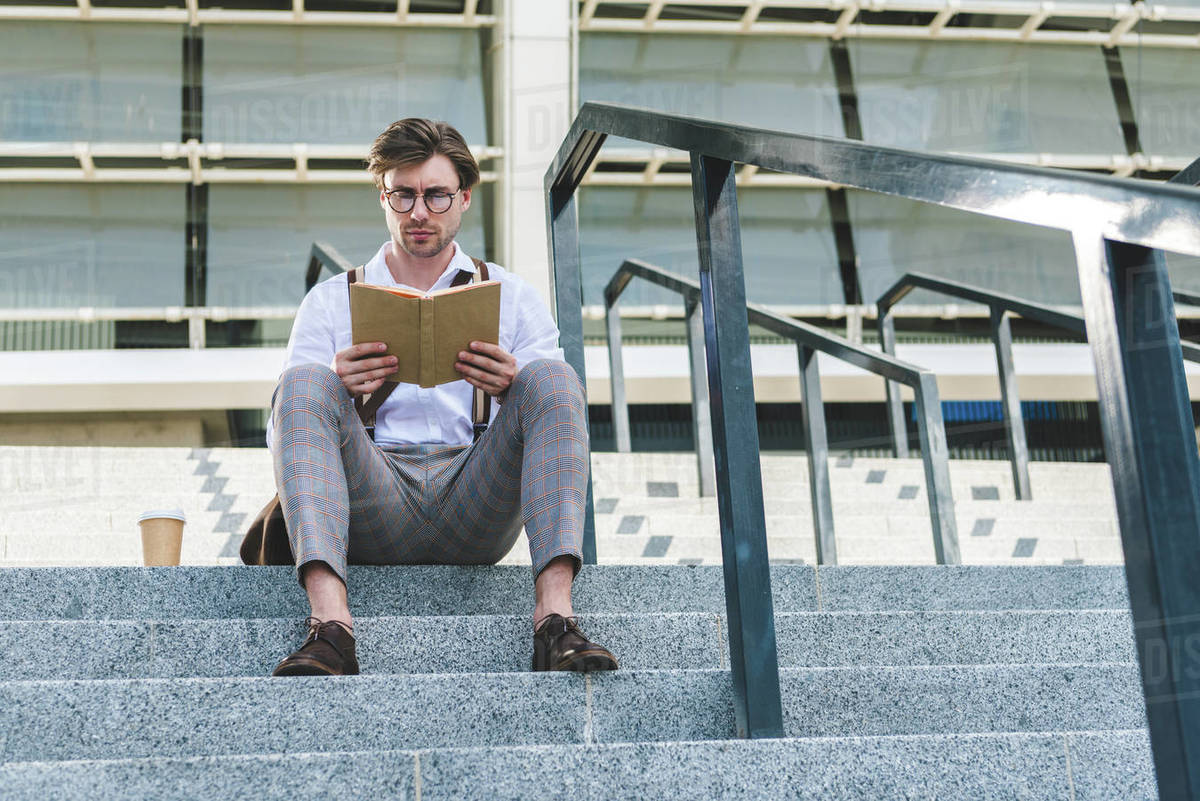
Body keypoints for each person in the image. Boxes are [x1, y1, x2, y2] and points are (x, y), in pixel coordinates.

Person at [265, 118, 617, 676]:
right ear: (384, 197)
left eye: (435, 195)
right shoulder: (329, 301)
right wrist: (339, 384)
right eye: (402, 195)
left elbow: (557, 412)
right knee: (304, 382)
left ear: (464, 198)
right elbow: (288, 427)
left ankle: (555, 621)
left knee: (552, 378)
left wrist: (512, 384)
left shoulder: (513, 296)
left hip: (476, 496)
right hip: (371, 501)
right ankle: (330, 628)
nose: (419, 212)